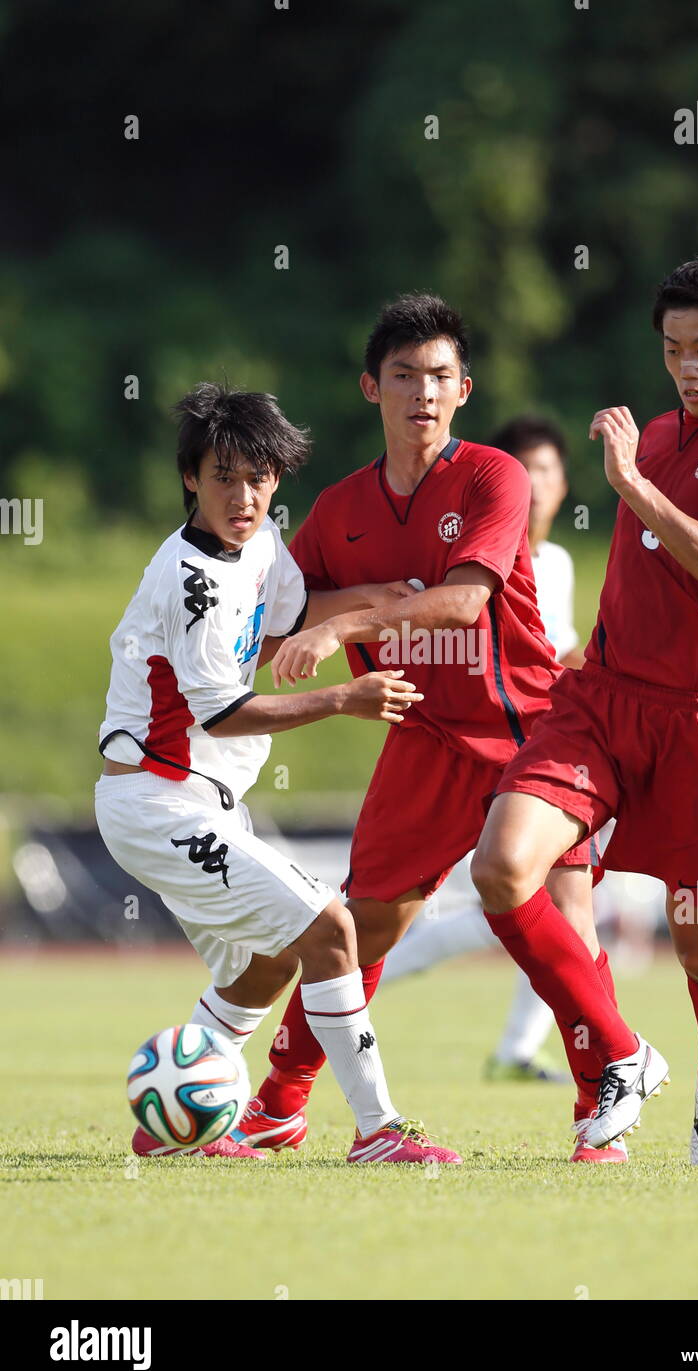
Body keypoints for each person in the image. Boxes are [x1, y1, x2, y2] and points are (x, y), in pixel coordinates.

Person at [234, 294, 629, 1162]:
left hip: (528, 730)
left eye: (441, 377)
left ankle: (602, 1109)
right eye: (405, 376)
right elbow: (271, 620)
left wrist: (343, 625)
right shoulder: (338, 509)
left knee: (565, 917)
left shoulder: (494, 476)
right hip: (422, 734)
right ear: (371, 387)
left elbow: (462, 600)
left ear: (465, 390)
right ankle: (277, 1104)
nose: (424, 392)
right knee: (364, 925)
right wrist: (363, 606)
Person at [471, 254, 698, 1167]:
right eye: (671, 349)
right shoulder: (655, 433)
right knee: (501, 867)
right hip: (603, 706)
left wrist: (630, 484)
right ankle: (619, 1053)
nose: (688, 367)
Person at [95, 382, 461, 1165]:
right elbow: (222, 712)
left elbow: (294, 620)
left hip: (197, 801)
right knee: (332, 928)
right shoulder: (190, 581)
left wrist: (377, 601)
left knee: (267, 966)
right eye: (224, 476)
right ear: (190, 477)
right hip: (158, 802)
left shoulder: (261, 545)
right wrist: (344, 698)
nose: (244, 494)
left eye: (259, 478)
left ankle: (173, 1129)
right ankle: (379, 1132)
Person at [381, 416, 584, 1085]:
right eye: (526, 471)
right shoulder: (468, 562)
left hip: (548, 749)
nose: (538, 485)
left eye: (550, 472)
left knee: (556, 907)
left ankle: (525, 1052)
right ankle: (342, 983)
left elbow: (553, 652)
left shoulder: (556, 563)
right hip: (476, 745)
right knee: (495, 903)